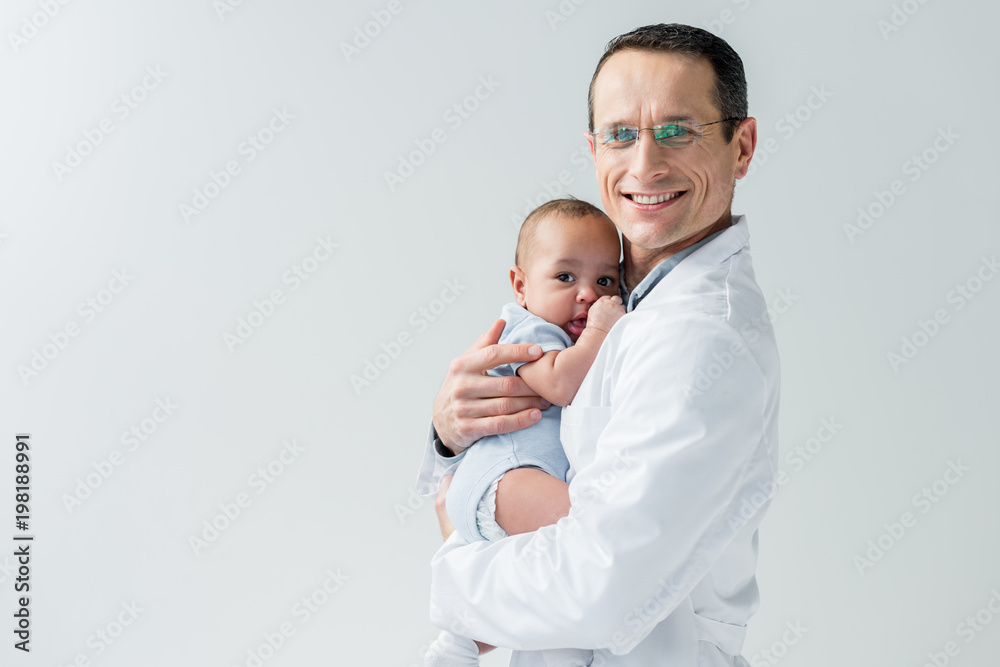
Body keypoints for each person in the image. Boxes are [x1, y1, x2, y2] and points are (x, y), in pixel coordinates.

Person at [417, 23, 780, 666]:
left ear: (741, 147)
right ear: (594, 150)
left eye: (678, 130)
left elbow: (600, 585)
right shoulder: (615, 301)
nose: (644, 164)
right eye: (620, 135)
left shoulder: (701, 335)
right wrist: (454, 432)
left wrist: (455, 563)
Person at [422, 198, 625, 667]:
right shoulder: (530, 330)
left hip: (508, 482)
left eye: (605, 281)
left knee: (535, 590)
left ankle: (456, 646)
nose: (587, 294)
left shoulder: (568, 337)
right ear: (520, 285)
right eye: (565, 277)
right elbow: (560, 383)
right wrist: (600, 331)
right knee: (587, 538)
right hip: (508, 478)